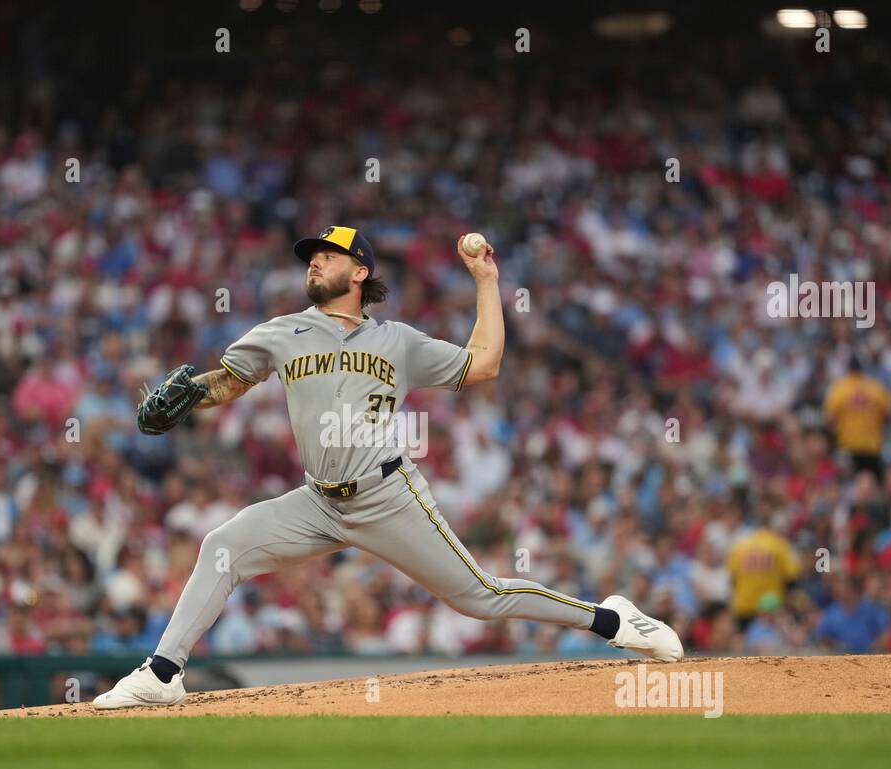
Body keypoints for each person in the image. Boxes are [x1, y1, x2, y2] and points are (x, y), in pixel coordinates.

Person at [95, 227, 682, 709]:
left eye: (329, 255)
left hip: (387, 495)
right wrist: (186, 396)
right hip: (318, 501)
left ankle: (612, 620)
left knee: (480, 597)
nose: (315, 262)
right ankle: (164, 671)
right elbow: (229, 381)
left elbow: (483, 364)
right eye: (313, 256)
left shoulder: (396, 341)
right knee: (223, 545)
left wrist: (486, 282)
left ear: (358, 274)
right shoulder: (281, 332)